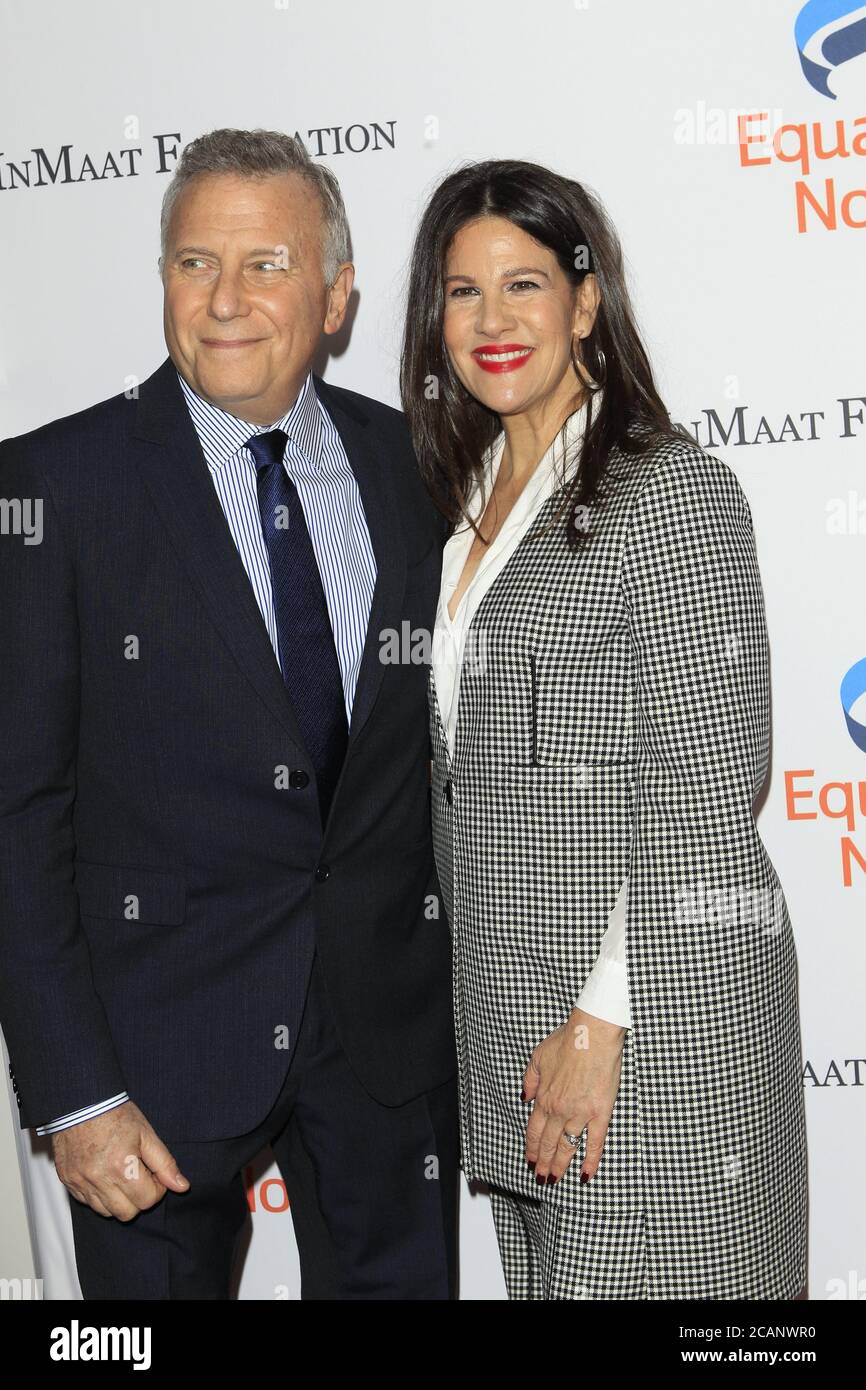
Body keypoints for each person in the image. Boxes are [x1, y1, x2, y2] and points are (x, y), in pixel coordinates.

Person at [0, 127, 458, 1300]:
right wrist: (74, 1092)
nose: (225, 301)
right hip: (148, 1072)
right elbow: (16, 811)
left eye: (266, 264)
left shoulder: (414, 465)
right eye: (194, 263)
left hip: (383, 1052)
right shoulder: (52, 488)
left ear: (337, 292)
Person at [400, 158, 808, 1301]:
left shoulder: (668, 493)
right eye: (461, 291)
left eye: (522, 284)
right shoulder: (463, 501)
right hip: (511, 1022)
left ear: (585, 301)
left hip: (648, 1027)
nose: (490, 321)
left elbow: (709, 787)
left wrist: (600, 1017)